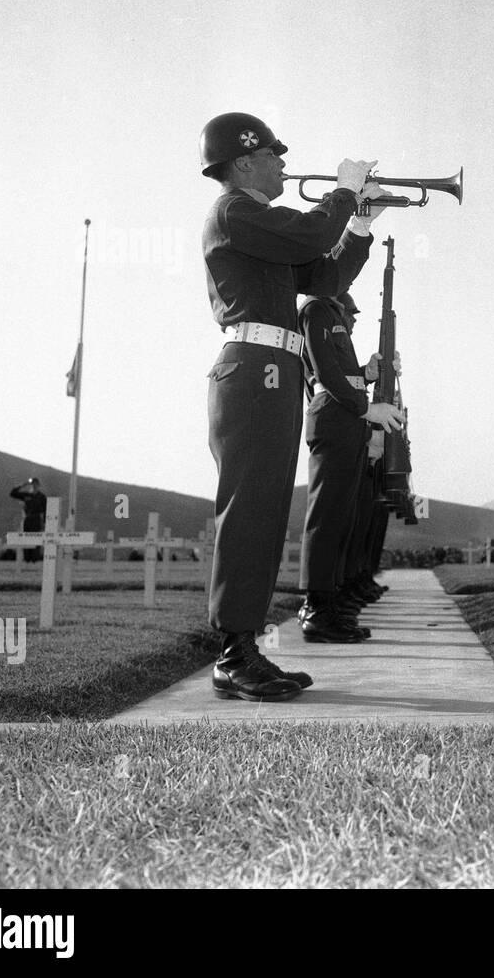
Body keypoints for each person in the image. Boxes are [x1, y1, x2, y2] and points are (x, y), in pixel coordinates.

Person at [199, 110, 399, 702]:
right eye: (273, 155)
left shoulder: (260, 227)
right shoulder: (236, 211)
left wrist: (359, 223)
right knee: (251, 512)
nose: (284, 163)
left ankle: (244, 649)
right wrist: (341, 191)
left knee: (264, 515)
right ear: (242, 162)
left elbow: (328, 276)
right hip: (253, 370)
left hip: (274, 372)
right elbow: (310, 236)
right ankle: (233, 653)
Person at [296, 290, 402, 642]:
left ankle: (330, 601)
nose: (353, 320)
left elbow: (344, 377)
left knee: (341, 519)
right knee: (326, 518)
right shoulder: (315, 309)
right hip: (335, 420)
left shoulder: (331, 314)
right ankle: (316, 607)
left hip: (346, 422)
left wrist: (368, 373)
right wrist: (366, 408)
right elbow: (326, 375)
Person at [9, 477, 47, 563]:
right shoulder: (27, 495)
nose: (34, 486)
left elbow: (45, 510)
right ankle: (27, 560)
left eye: (36, 484)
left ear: (39, 485)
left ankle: (34, 560)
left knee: (36, 539)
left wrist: (44, 523)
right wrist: (24, 484)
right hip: (28, 518)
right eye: (33, 484)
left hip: (37, 519)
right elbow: (13, 493)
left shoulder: (42, 497)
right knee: (26, 538)